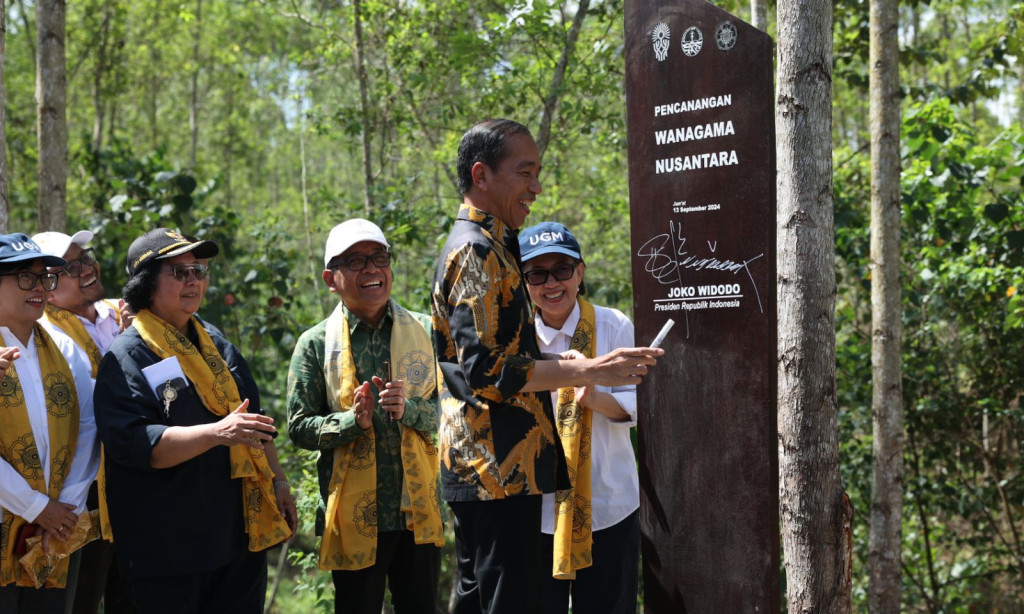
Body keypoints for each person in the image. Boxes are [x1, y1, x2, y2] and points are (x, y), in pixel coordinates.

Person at [431, 119, 661, 613]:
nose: (536, 186)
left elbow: (506, 358)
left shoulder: (494, 245)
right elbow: (489, 372)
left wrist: (589, 368)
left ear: (580, 273)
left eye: (562, 270)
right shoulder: (475, 249)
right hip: (493, 470)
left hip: (506, 474)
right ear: (482, 175)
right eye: (525, 172)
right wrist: (588, 372)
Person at [93, 228, 297, 613]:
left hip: (234, 539)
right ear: (146, 283)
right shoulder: (127, 356)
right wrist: (217, 433)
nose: (193, 280)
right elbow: (139, 445)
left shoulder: (215, 343)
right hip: (168, 552)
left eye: (198, 271)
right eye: (179, 271)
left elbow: (253, 419)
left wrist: (279, 480)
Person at [287, 219, 443, 614]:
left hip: (418, 512)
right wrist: (350, 423)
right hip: (355, 518)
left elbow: (453, 416)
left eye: (379, 258)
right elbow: (299, 427)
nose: (372, 269)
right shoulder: (316, 344)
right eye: (356, 261)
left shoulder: (426, 331)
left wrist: (410, 409)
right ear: (330, 277)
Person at [519, 222, 640, 613]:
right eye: (537, 274)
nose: (551, 284)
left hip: (609, 503)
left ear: (580, 273)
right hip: (538, 510)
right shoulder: (517, 340)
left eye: (562, 270)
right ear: (524, 282)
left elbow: (639, 406)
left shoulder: (612, 325)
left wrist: (594, 395)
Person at [32, 229, 132, 614]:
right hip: (82, 490)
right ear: (49, 290)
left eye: (85, 257)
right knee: (83, 594)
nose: (87, 269)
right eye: (71, 267)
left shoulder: (124, 312)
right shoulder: (47, 334)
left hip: (138, 481)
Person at [0, 233, 99, 613]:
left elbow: (89, 427)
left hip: (56, 528)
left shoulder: (64, 347)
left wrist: (64, 509)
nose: (40, 287)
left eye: (47, 277)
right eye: (26, 277)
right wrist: (34, 506)